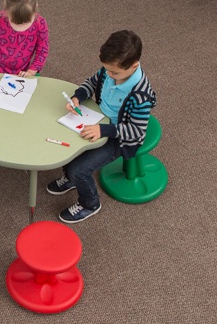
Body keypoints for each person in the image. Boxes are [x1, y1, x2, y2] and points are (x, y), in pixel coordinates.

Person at [46, 30, 156, 224]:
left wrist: (103, 130)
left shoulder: (141, 95)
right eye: (106, 69)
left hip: (118, 137)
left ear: (133, 66)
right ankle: (71, 178)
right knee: (66, 144)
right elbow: (92, 82)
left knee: (79, 168)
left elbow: (136, 131)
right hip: (96, 118)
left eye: (114, 72)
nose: (109, 74)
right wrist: (78, 97)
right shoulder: (108, 71)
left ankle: (90, 203)